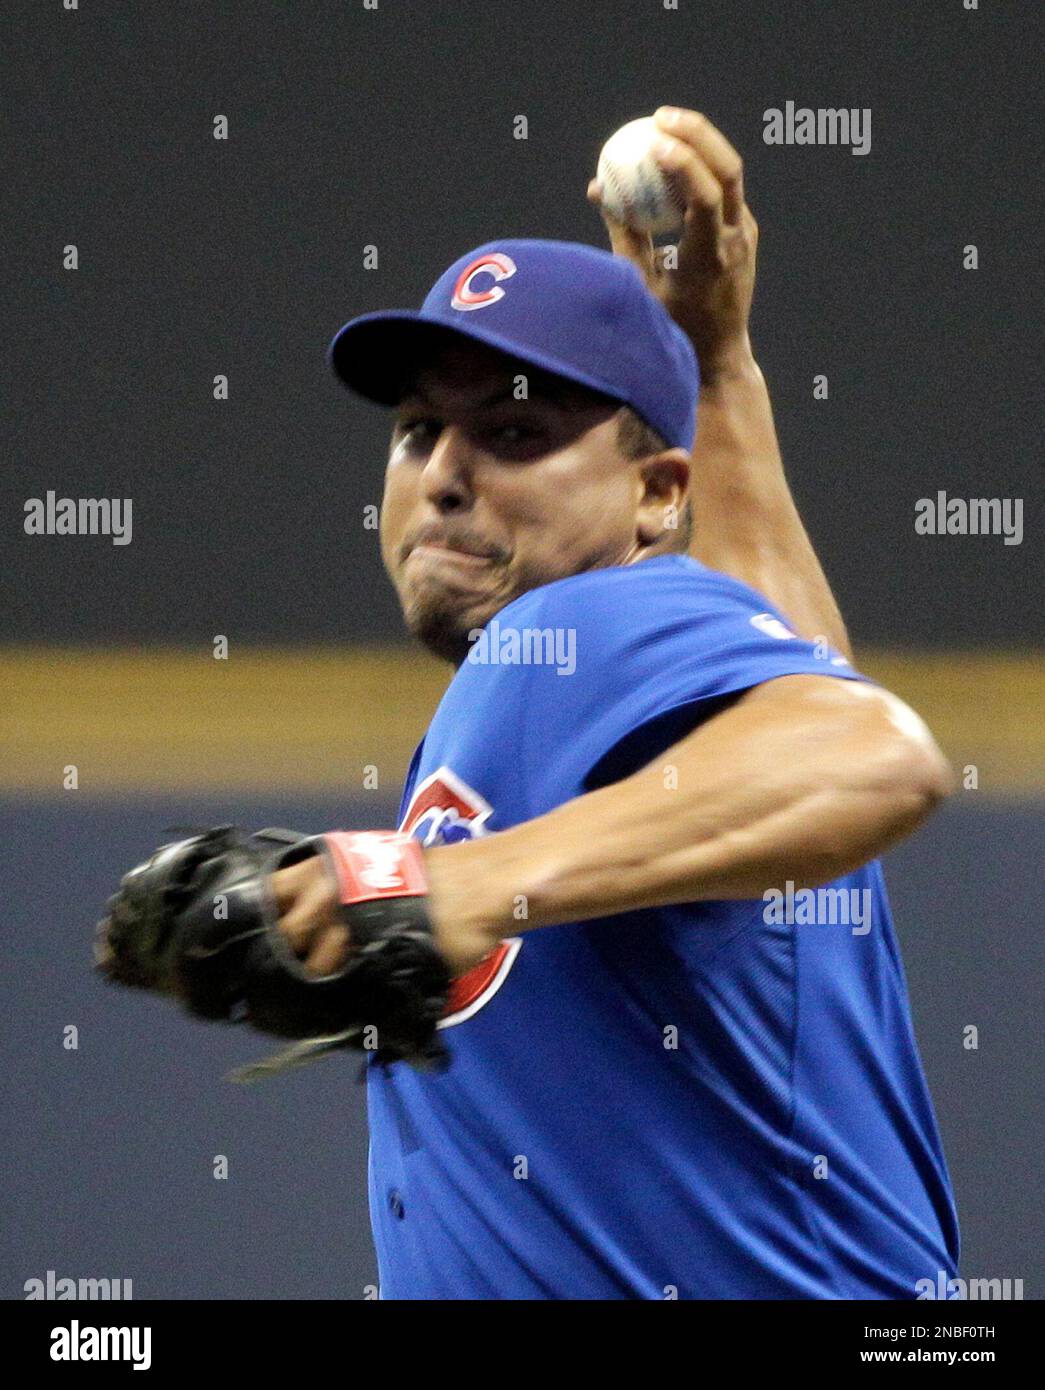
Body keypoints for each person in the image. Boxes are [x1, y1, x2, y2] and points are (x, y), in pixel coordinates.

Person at [221, 110, 966, 1297]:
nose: (446, 474)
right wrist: (715, 368)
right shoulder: (588, 685)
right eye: (419, 430)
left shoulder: (574, 635)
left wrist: (456, 883)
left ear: (657, 493)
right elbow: (800, 679)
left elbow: (873, 750)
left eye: (514, 431)